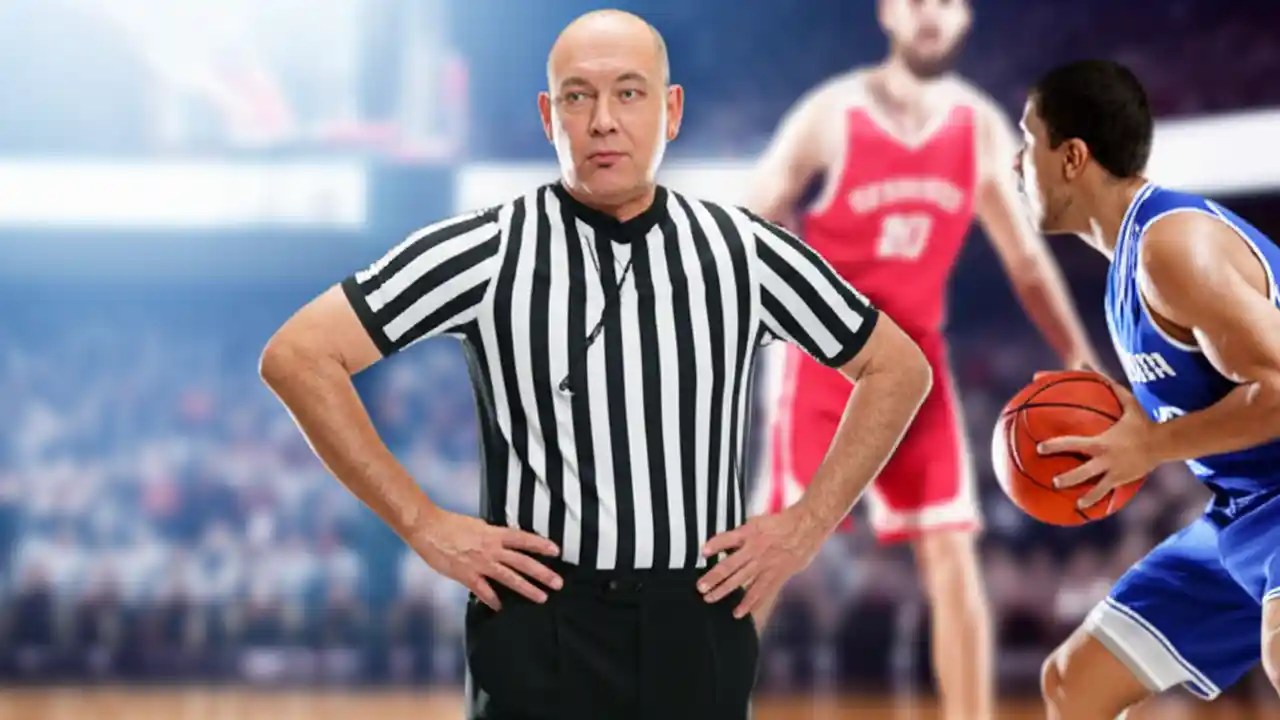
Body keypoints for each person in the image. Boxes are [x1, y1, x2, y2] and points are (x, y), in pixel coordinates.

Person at [260, 10, 933, 719]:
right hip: (539, 618)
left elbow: (897, 368)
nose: (604, 120)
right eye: (578, 96)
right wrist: (424, 525)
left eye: (630, 93)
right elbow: (299, 355)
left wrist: (808, 524)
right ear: (549, 116)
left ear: (671, 111)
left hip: (694, 615)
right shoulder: (487, 249)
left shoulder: (745, 252)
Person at [745, 0, 1097, 715]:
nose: (931, 15)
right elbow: (751, 216)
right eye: (916, 1)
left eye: (946, 2)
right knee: (769, 547)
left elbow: (1027, 263)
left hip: (917, 366)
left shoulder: (978, 128)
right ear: (887, 14)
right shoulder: (832, 113)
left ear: (964, 17)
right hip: (825, 355)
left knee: (951, 551)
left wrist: (1078, 355)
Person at [1016, 59, 1280, 718]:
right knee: (1074, 685)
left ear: (1073, 157)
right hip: (1245, 510)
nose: (1014, 164)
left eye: (1027, 142)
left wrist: (1153, 444)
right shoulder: (1124, 275)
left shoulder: (1172, 247)